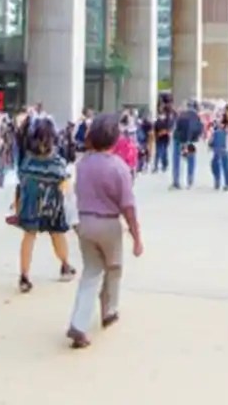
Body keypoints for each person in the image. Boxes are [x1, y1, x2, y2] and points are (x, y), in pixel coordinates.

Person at [66, 114, 143, 349]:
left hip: (85, 222)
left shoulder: (82, 165)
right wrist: (136, 236)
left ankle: (79, 323)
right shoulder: (119, 168)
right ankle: (109, 309)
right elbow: (128, 206)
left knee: (91, 272)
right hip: (109, 223)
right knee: (114, 267)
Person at [14, 118, 77, 293]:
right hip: (52, 204)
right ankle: (65, 266)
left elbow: (21, 176)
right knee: (56, 234)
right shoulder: (56, 160)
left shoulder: (26, 158)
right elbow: (64, 179)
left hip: (30, 203)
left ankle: (24, 276)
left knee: (29, 235)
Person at [171, 100, 204, 190]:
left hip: (178, 139)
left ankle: (176, 180)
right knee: (191, 159)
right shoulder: (196, 117)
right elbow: (198, 129)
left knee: (176, 159)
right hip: (190, 141)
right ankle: (190, 180)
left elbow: (177, 127)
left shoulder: (182, 115)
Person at [210, 112, 228, 191]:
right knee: (216, 164)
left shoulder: (224, 129)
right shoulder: (217, 129)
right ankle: (222, 182)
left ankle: (224, 182)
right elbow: (211, 141)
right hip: (219, 149)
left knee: (221, 165)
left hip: (222, 149)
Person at [153, 106, 173, 174]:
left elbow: (169, 130)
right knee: (158, 153)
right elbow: (155, 130)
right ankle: (156, 166)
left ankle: (164, 165)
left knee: (164, 152)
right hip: (159, 139)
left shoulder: (167, 121)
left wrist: (165, 132)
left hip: (164, 139)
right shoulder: (157, 122)